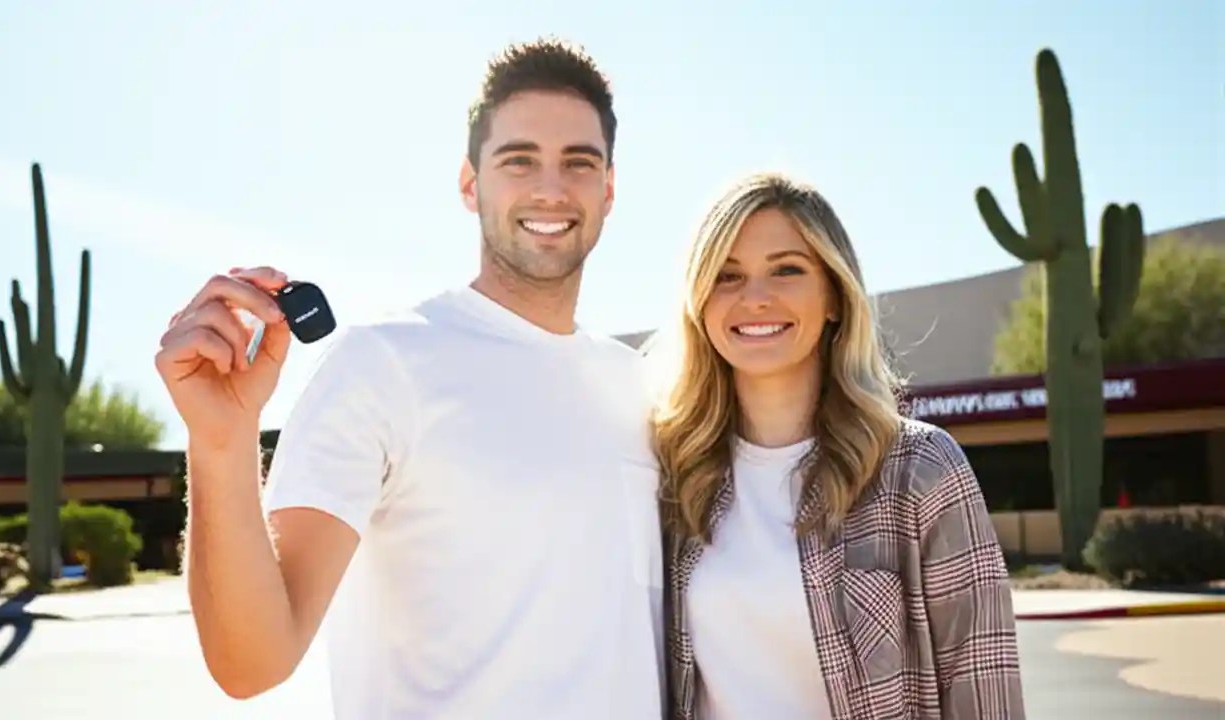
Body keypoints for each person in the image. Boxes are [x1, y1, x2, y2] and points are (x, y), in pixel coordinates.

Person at [154, 38, 665, 720]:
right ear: (468, 183)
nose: (550, 188)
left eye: (579, 162)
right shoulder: (381, 366)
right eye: (519, 160)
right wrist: (220, 443)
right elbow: (252, 663)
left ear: (607, 190)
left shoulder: (640, 383)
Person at [649, 172, 1025, 719]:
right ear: (699, 303)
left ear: (833, 296)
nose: (755, 298)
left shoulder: (918, 470)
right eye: (727, 276)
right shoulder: (673, 477)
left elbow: (984, 685)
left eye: (787, 270)